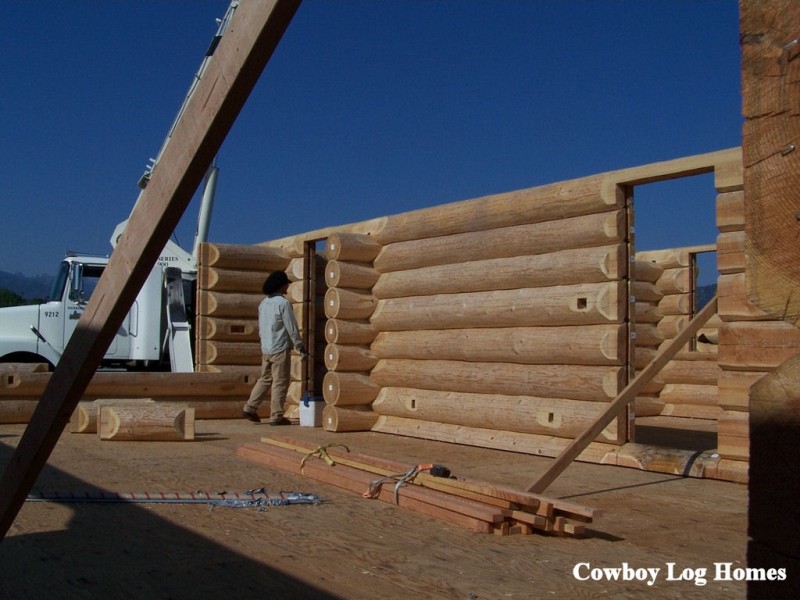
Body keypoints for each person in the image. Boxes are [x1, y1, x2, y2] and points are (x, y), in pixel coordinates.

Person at [242, 270, 306, 425]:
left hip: (266, 348)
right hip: (280, 348)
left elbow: (261, 326)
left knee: (264, 379)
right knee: (280, 382)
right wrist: (300, 346)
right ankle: (276, 415)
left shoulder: (263, 303)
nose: (287, 288)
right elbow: (291, 328)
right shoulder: (283, 303)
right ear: (281, 286)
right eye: (286, 285)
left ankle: (250, 408)